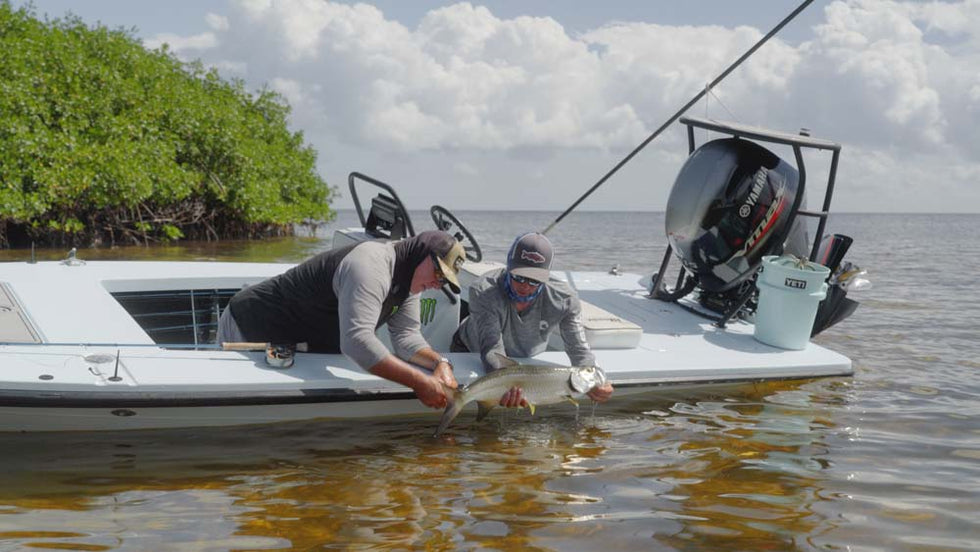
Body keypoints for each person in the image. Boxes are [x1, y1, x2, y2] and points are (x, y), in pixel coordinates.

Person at [217, 230, 465, 410]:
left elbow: (406, 337)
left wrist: (439, 362)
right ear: (421, 253)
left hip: (296, 347)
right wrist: (420, 383)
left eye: (444, 282)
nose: (436, 284)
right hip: (251, 326)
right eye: (437, 273)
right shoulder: (370, 266)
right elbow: (356, 341)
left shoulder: (409, 284)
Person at [451, 232, 614, 407]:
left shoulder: (564, 299)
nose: (525, 286)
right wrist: (505, 385)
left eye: (535, 280)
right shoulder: (483, 290)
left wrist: (598, 379)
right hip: (472, 350)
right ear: (508, 267)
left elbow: (579, 350)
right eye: (519, 277)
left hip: (525, 365)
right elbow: (492, 348)